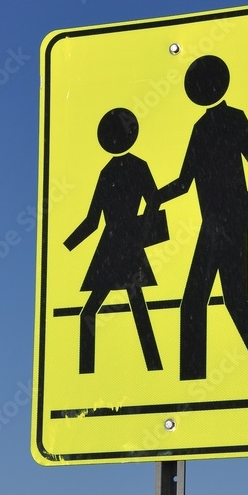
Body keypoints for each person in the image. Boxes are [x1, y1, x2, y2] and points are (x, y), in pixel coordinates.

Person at [150, 55, 248, 381]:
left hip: (219, 225)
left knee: (195, 302)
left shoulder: (213, 124)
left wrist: (154, 197)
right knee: (235, 299)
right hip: (226, 222)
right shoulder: (218, 122)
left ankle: (192, 382)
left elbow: (185, 183)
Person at [64, 107, 163, 374]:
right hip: (118, 245)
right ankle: (149, 366)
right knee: (130, 307)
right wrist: (65, 247)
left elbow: (152, 200)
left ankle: (152, 368)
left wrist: (142, 234)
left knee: (106, 310)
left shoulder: (116, 171)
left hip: (117, 246)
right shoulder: (121, 170)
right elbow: (94, 220)